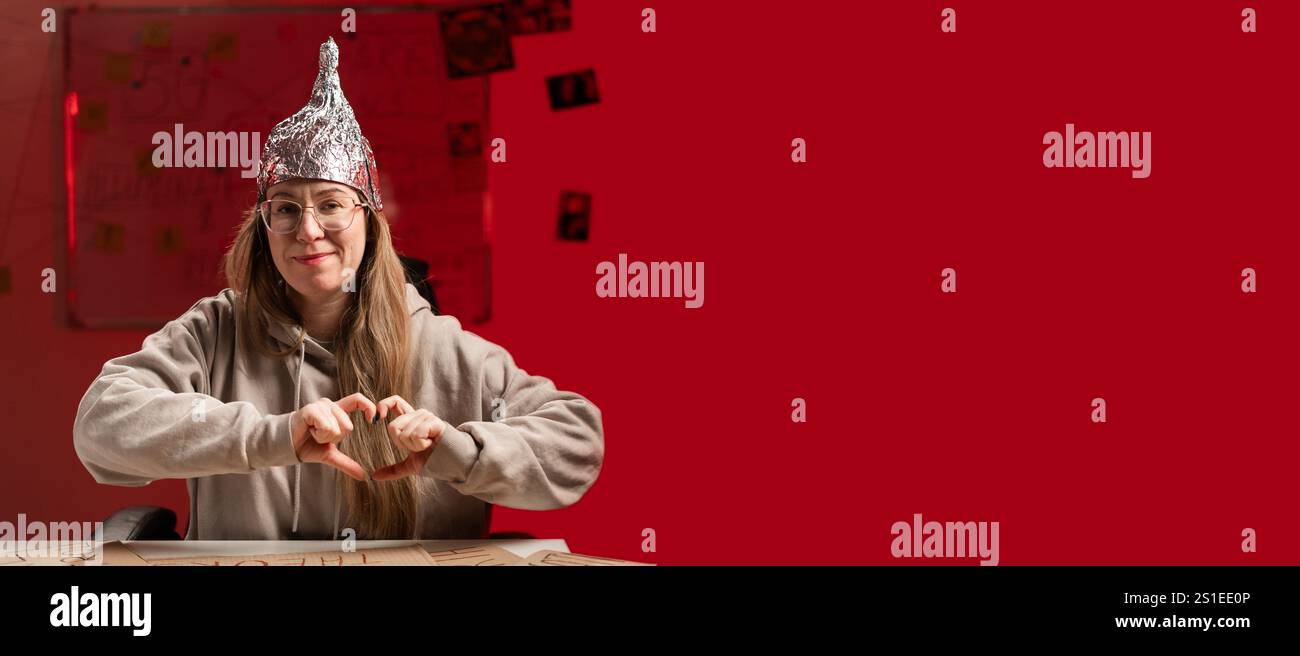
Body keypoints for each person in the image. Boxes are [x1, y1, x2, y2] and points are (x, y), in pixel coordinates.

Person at [72, 38, 604, 540]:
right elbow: (101, 424)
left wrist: (458, 451)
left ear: (370, 221)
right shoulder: (214, 333)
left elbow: (575, 445)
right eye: (285, 209)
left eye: (330, 204)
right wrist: (273, 437)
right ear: (264, 226)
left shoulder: (445, 349)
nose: (307, 230)